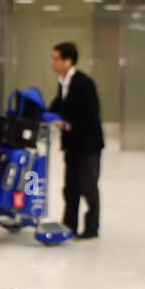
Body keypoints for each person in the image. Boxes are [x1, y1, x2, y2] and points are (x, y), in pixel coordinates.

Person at [47, 42, 104, 239]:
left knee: (88, 186)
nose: (52, 62)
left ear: (67, 61)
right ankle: (69, 225)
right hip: (71, 144)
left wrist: (70, 126)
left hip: (87, 145)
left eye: (55, 59)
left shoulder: (84, 83)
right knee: (70, 187)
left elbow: (92, 114)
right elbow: (58, 106)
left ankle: (91, 228)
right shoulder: (63, 81)